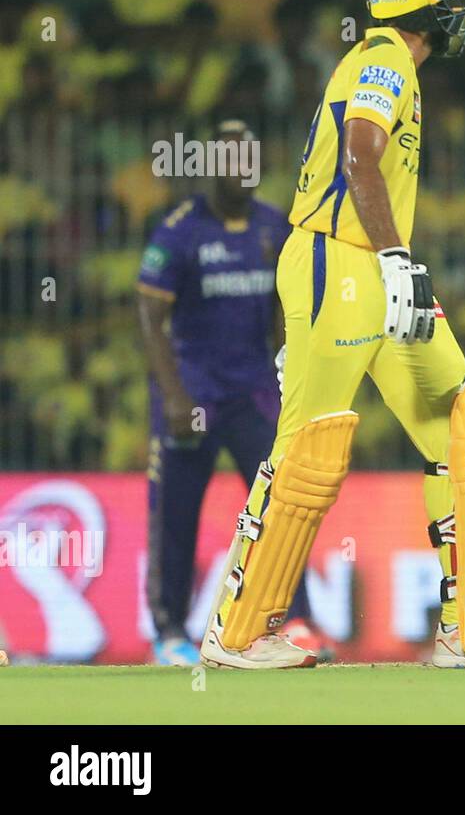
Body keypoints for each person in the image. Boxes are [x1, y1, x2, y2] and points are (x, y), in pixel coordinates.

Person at [200, 0, 465, 670]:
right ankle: (238, 633)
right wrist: (394, 261)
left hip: (373, 264)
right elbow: (360, 154)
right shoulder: (384, 57)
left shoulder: (394, 62)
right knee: (307, 448)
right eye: (450, 5)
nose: (459, 17)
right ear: (424, 10)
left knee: (464, 429)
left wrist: (395, 265)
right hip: (340, 259)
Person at [137, 119, 322, 665]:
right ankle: (170, 631)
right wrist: (171, 396)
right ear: (210, 168)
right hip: (192, 399)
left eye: (249, 162)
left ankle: (296, 621)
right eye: (230, 162)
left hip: (253, 395)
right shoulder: (180, 230)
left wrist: (288, 379)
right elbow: (149, 315)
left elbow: (283, 313)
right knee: (176, 514)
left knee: (280, 509)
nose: (241, 172)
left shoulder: (272, 228)